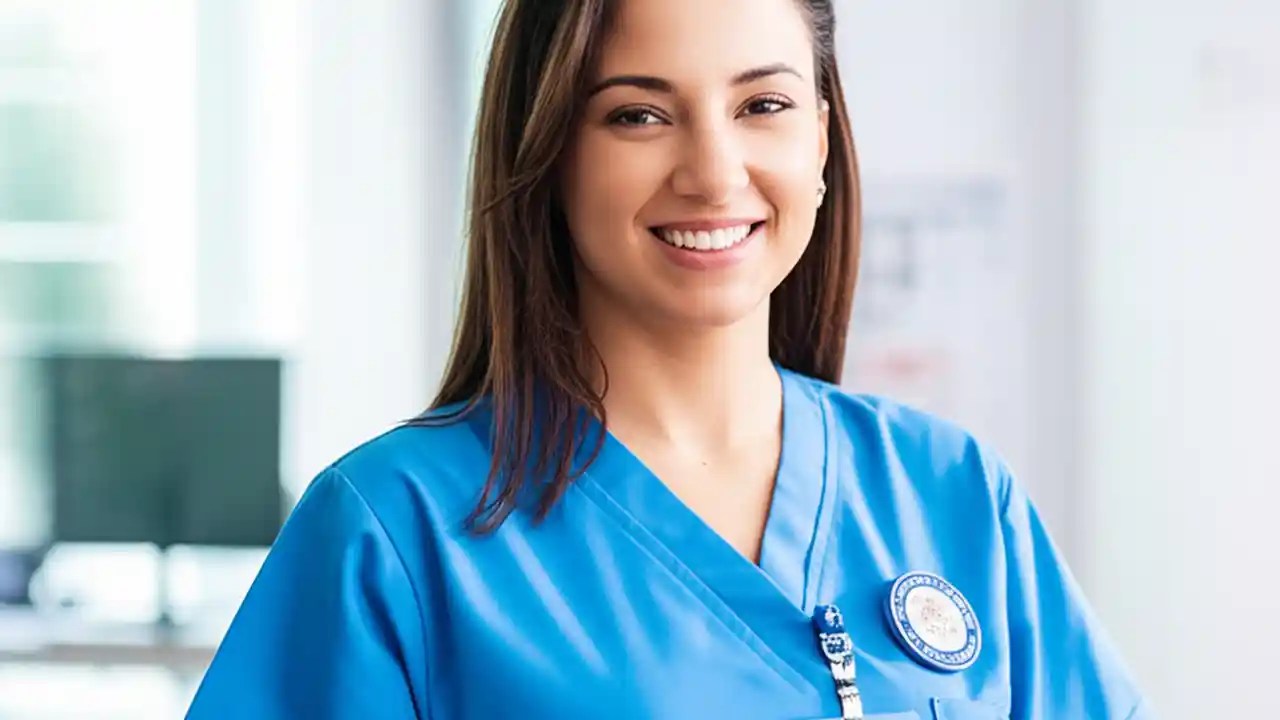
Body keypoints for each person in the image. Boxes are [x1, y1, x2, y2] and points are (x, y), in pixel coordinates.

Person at [187, 0, 1151, 717]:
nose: (714, 172)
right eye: (638, 116)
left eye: (764, 104)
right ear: (549, 151)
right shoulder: (396, 533)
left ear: (823, 137)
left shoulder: (954, 495)